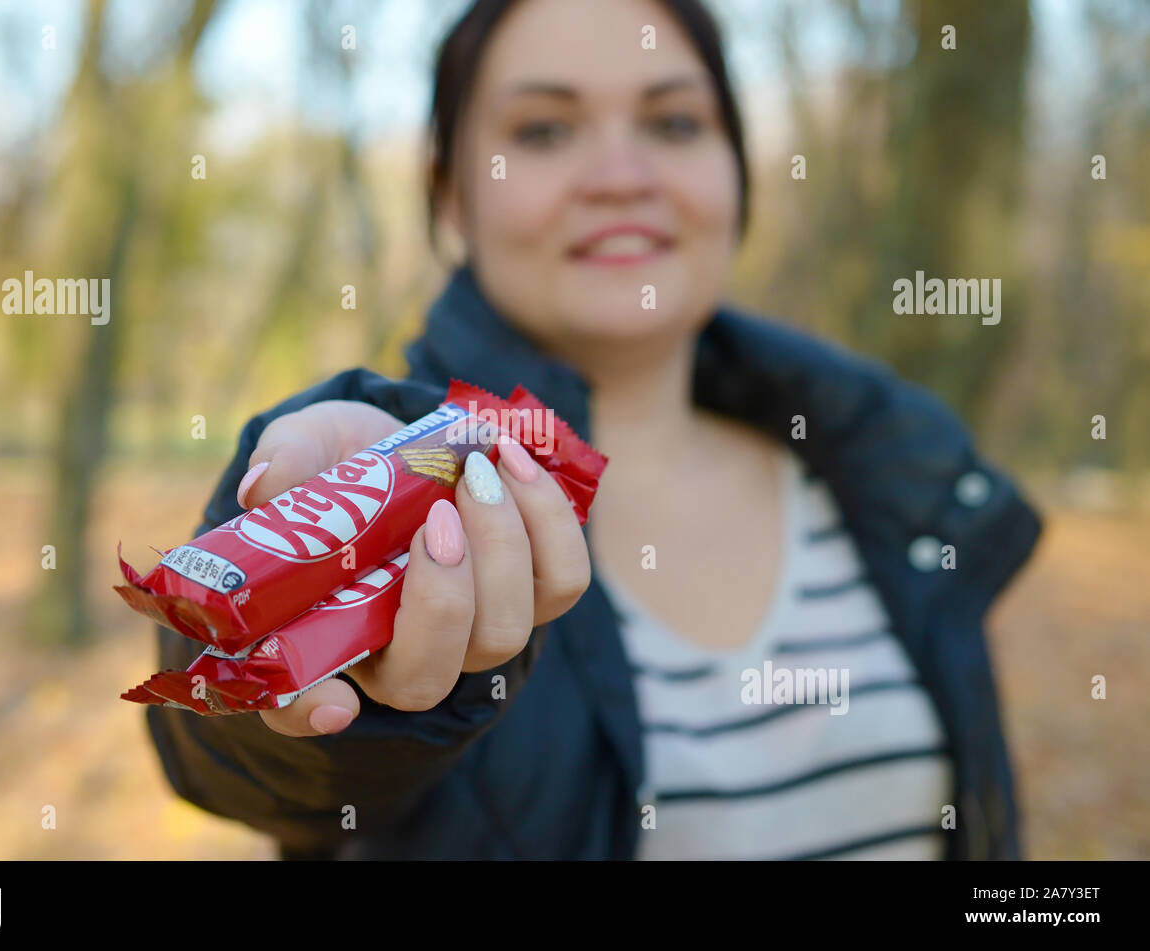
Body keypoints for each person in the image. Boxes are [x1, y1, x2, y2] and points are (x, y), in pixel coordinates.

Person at [145, 0, 1042, 860]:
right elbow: (241, 762)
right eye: (543, 130)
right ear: (449, 193)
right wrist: (313, 588)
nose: (621, 174)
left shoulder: (879, 477)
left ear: (736, 170)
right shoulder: (397, 476)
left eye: (676, 123)